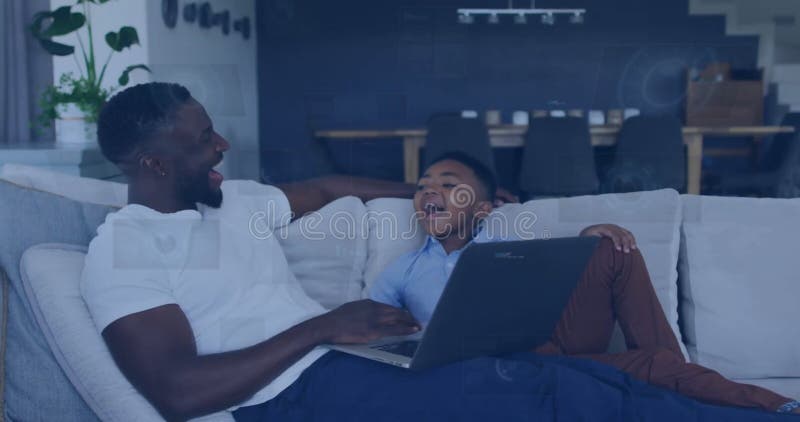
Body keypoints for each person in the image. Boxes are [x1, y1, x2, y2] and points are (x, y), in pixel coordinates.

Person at [81, 83, 800, 422]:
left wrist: (435, 189)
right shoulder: (125, 249)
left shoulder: (233, 199)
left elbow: (327, 186)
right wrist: (323, 326)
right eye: (202, 140)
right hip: (289, 398)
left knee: (567, 376)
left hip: (348, 363)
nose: (222, 145)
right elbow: (177, 393)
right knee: (548, 394)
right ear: (153, 164)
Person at [369, 151, 800, 414]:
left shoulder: (507, 244)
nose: (429, 192)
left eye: (448, 186)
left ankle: (680, 379)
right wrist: (394, 329)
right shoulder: (402, 271)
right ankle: (758, 401)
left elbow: (557, 289)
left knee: (610, 247)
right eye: (423, 187)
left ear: (482, 209)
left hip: (549, 343)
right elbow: (372, 331)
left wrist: (586, 240)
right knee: (656, 366)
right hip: (499, 369)